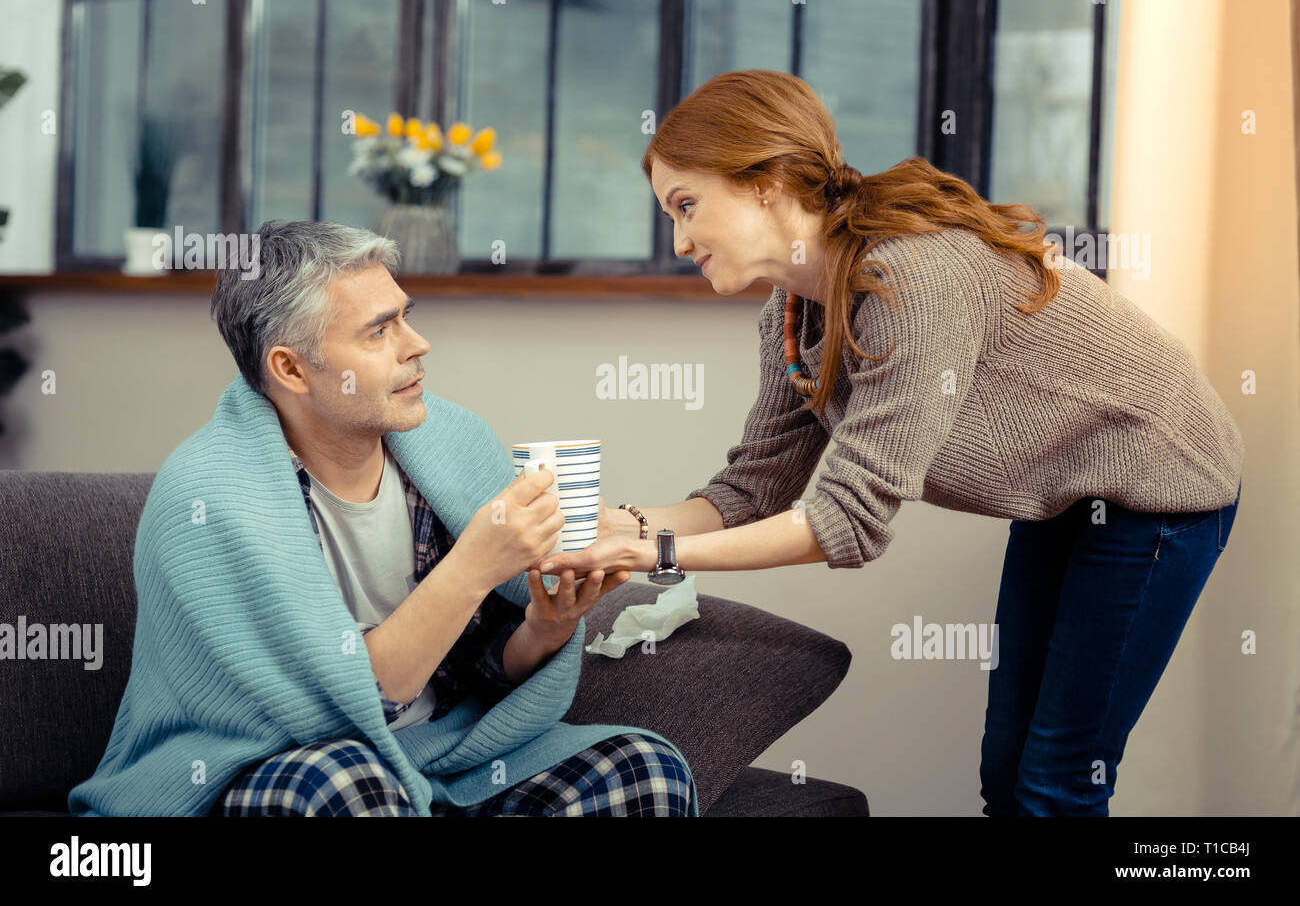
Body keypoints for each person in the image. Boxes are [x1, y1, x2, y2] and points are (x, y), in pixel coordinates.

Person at [535, 69, 1244, 816]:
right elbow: (750, 491)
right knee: (1007, 776)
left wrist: (656, 553)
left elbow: (848, 522)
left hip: (1162, 486)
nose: (678, 241)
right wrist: (624, 526)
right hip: (1069, 495)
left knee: (1056, 782)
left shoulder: (911, 280)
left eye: (687, 207)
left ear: (769, 182)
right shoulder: (793, 310)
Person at [69, 220, 694, 818]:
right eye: (378, 331)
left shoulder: (452, 443)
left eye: (407, 316)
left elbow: (474, 667)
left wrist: (546, 627)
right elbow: (341, 707)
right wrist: (474, 566)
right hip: (273, 766)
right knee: (349, 783)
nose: (417, 345)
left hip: (444, 756)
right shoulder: (206, 500)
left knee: (644, 769)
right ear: (290, 369)